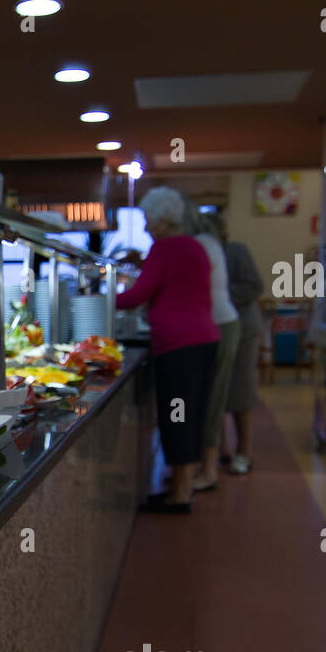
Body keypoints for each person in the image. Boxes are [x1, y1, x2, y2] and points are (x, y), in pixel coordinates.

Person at [116, 187, 218, 513]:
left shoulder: (164, 248)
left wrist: (95, 301)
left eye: (148, 220)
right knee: (191, 414)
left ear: (162, 219)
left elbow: (138, 295)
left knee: (177, 416)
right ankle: (180, 487)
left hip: (178, 344)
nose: (145, 227)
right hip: (204, 340)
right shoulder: (195, 248)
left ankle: (180, 495)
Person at [184, 208, 238, 492]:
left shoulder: (202, 244)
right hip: (219, 324)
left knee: (212, 401)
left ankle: (208, 470)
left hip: (218, 326)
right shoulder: (210, 242)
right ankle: (200, 468)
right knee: (209, 400)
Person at [214, 213, 264, 474]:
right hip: (216, 330)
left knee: (241, 390)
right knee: (218, 390)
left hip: (243, 328)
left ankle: (244, 451)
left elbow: (255, 285)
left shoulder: (236, 252)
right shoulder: (207, 255)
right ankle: (222, 449)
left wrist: (220, 296)